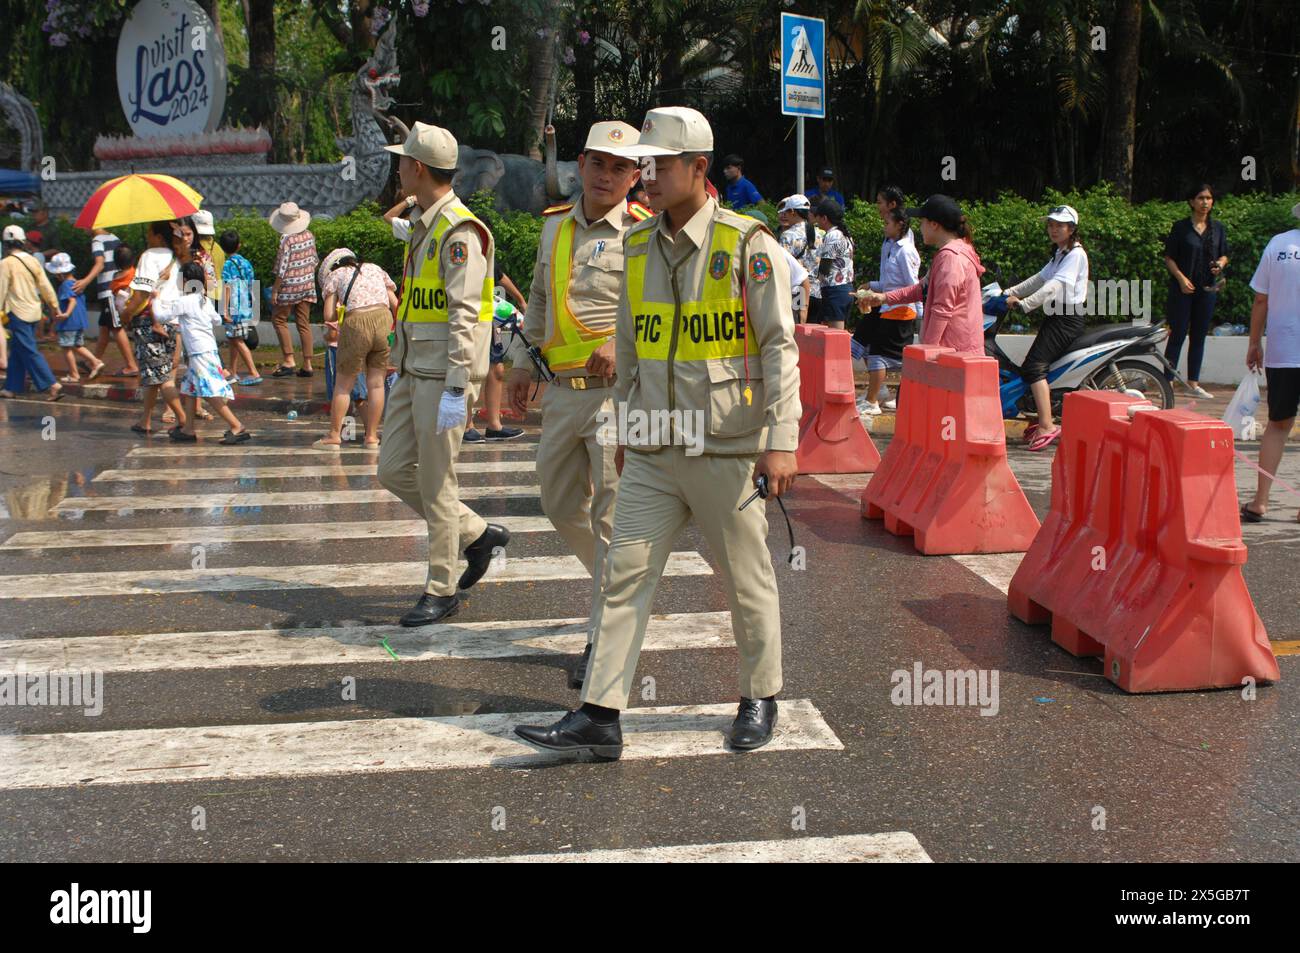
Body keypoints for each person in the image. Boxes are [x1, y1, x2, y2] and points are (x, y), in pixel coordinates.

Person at [514, 106, 801, 759]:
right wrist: (622, 422)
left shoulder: (746, 245)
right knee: (623, 574)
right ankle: (599, 715)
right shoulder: (638, 246)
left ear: (698, 168)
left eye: (658, 165)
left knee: (745, 573)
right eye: (644, 163)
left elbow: (780, 347)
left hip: (724, 442)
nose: (647, 174)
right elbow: (633, 345)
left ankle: (759, 693)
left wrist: (781, 438)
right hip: (651, 443)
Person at [504, 119, 650, 689]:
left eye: (620, 168)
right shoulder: (554, 228)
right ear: (581, 165)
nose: (607, 176)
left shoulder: (644, 231)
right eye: (598, 164)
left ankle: (603, 639)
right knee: (559, 502)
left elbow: (662, 304)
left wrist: (623, 342)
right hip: (564, 392)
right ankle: (621, 589)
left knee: (611, 518)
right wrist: (521, 361)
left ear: (637, 175)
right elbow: (539, 297)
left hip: (619, 397)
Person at [378, 121, 510, 627]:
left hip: (444, 378)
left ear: (417, 168)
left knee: (436, 484)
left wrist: (459, 386)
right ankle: (478, 533)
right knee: (392, 469)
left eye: (402, 163)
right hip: (414, 369)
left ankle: (440, 588)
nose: (398, 170)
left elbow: (463, 315)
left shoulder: (459, 232)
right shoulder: (425, 222)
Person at [1002, 205, 1090, 451]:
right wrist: (1006, 293)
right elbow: (1039, 279)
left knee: (1034, 367)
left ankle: (1047, 424)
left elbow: (1055, 287)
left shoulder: (1075, 255)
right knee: (1032, 365)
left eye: (1059, 225)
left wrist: (1024, 304)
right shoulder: (1060, 253)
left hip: (1066, 319)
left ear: (1071, 229)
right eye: (1051, 225)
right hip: (1056, 317)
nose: (1053, 229)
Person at [861, 194, 985, 356]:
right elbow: (921, 289)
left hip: (953, 352)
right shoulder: (956, 250)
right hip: (958, 350)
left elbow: (942, 309)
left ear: (934, 224)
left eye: (922, 222)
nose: (919, 228)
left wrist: (927, 351)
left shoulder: (950, 258)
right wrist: (884, 298)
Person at [1241, 202, 1300, 524]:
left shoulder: (1279, 245)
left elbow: (1261, 299)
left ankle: (1260, 501)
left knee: (1278, 425)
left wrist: (1254, 343)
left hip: (1284, 350)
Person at [156, 261, 249, 445]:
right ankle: (188, 429)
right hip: (206, 350)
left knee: (209, 392)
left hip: (200, 353)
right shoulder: (203, 299)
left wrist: (156, 297)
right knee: (190, 389)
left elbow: (161, 316)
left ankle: (236, 425)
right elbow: (216, 320)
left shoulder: (185, 301)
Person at [314, 247, 395, 450]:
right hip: (384, 320)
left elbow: (328, 315)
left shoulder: (336, 275)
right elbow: (395, 303)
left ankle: (334, 435)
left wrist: (341, 309)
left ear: (333, 266)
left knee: (343, 385)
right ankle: (372, 437)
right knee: (376, 383)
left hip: (356, 323)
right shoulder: (376, 269)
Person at [854, 196, 921, 415]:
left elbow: (913, 285)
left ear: (899, 225)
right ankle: (876, 394)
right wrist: (872, 286)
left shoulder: (906, 250)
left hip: (901, 310)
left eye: (887, 223)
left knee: (881, 355)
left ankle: (873, 401)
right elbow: (890, 281)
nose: (884, 226)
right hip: (887, 307)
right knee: (870, 349)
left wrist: (918, 312)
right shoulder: (892, 247)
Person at [120, 220, 188, 434]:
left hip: (150, 322)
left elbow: (141, 291)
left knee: (163, 378)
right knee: (153, 375)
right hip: (173, 322)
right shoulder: (177, 257)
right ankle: (145, 420)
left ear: (158, 235)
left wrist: (126, 313)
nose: (148, 235)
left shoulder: (149, 256)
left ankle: (185, 422)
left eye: (150, 231)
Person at [1163, 183, 1229, 399]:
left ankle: (1193, 383)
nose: (1205, 202)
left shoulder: (1218, 228)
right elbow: (1169, 257)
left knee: (1199, 336)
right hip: (1183, 289)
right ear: (1191, 201)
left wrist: (1220, 264)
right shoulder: (1180, 228)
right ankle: (1168, 382)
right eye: (1201, 198)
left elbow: (1224, 255)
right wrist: (1181, 279)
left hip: (1208, 288)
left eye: (1209, 198)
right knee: (1178, 335)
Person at [463, 262, 526, 443]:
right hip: (468, 320)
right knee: (470, 371)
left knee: (497, 370)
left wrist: (521, 301)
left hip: (490, 320)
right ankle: (467, 426)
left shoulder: (484, 248)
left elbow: (499, 274)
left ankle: (494, 426)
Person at [0, 225, 64, 400]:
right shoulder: (33, 260)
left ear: (6, 244)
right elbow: (45, 285)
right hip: (34, 311)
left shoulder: (5, 264)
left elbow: (1, 290)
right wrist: (54, 306)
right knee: (18, 348)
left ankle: (51, 384)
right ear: (23, 242)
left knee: (28, 349)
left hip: (18, 312)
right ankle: (11, 388)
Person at [267, 201, 319, 377]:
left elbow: (282, 269)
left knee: (279, 319)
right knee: (303, 324)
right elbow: (314, 260)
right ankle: (308, 364)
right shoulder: (309, 235)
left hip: (289, 287)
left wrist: (275, 290)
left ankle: (289, 360)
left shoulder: (286, 240)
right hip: (307, 285)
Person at [80, 226, 137, 377]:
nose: (83, 229)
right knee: (104, 328)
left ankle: (131, 365)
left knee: (115, 327)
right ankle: (93, 361)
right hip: (118, 287)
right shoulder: (115, 238)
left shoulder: (97, 241)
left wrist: (85, 281)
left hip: (108, 289)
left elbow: (99, 264)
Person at [45, 252, 104, 383]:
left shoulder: (65, 285)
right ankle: (95, 362)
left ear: (60, 273)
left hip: (69, 322)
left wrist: (65, 314)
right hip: (78, 321)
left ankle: (74, 373)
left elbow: (72, 301)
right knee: (77, 345)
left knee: (66, 348)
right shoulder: (76, 283)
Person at [219, 230, 260, 385]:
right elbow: (251, 283)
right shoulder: (246, 262)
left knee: (237, 339)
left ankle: (253, 372)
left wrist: (225, 310)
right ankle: (233, 372)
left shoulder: (228, 265)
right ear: (239, 245)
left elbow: (227, 287)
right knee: (233, 339)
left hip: (234, 307)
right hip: (246, 305)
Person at [810, 198, 854, 329]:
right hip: (845, 288)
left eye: (817, 217)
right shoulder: (845, 234)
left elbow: (825, 268)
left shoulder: (833, 235)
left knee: (835, 338)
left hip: (835, 290)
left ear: (824, 218)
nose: (816, 220)